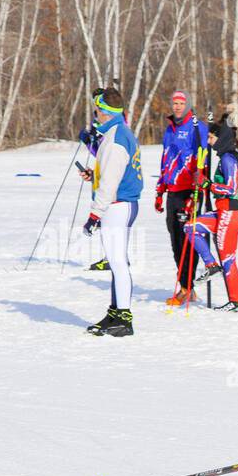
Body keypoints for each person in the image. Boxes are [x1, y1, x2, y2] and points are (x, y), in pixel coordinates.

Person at [81, 88, 142, 337]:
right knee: (116, 262)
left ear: (104, 112)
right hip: (117, 203)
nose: (95, 115)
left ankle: (124, 318)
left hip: (118, 205)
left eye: (97, 110)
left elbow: (110, 183)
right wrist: (93, 176)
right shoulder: (116, 133)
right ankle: (115, 311)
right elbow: (109, 174)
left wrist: (94, 215)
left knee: (117, 262)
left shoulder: (116, 139)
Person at [184, 114, 238, 312]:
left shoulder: (229, 158)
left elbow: (231, 188)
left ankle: (235, 301)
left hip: (231, 213)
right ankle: (211, 265)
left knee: (227, 258)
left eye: (211, 138)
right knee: (191, 226)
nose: (210, 142)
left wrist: (208, 184)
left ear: (221, 138)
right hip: (221, 212)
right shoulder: (224, 156)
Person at [155, 91, 208, 307]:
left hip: (190, 190)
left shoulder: (197, 127)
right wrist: (160, 190)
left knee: (188, 238)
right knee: (175, 238)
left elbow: (203, 157)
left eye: (181, 103)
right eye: (174, 103)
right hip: (173, 190)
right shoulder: (170, 129)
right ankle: (187, 286)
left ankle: (186, 287)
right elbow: (165, 159)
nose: (177, 107)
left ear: (187, 105)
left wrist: (198, 189)